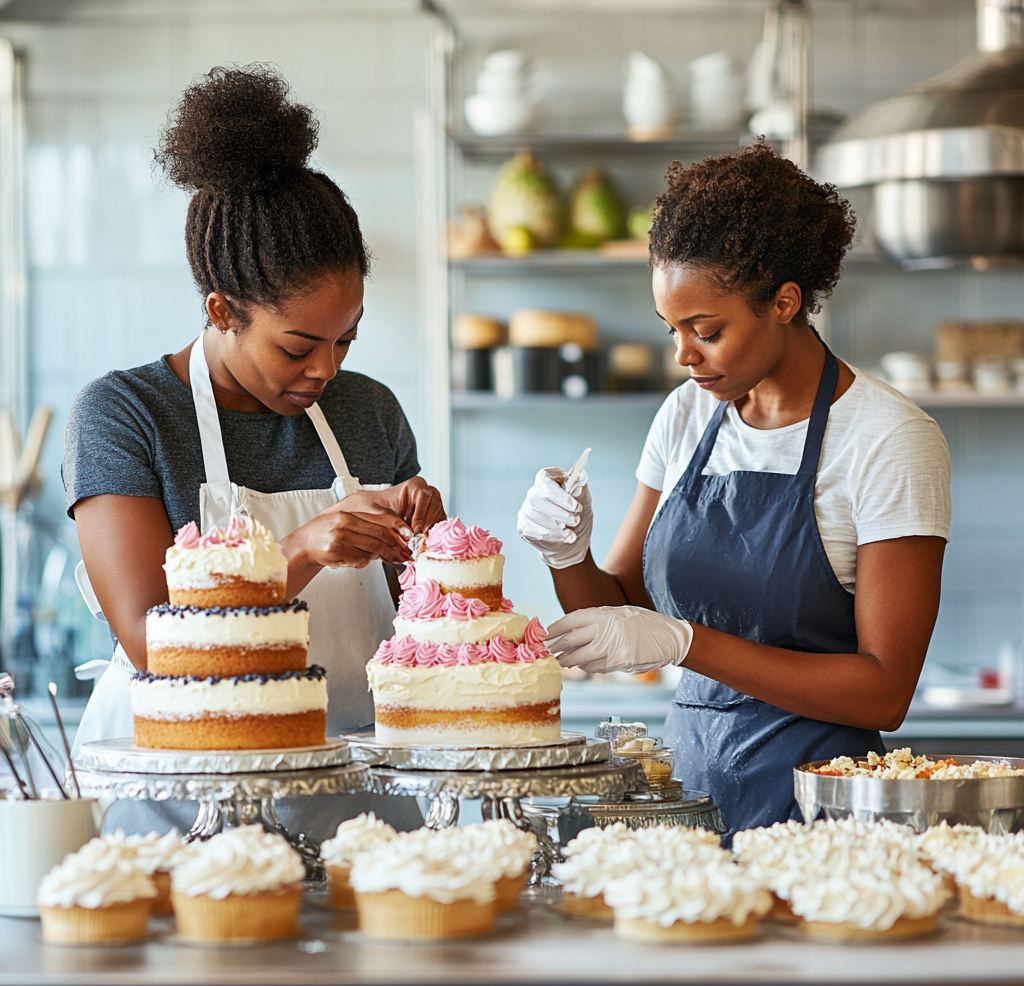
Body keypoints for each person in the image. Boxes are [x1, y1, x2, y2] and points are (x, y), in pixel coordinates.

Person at [518, 143, 951, 838]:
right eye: (673, 330)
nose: (684, 355)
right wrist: (567, 555)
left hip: (823, 820)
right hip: (683, 802)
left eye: (706, 330)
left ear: (784, 302)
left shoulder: (888, 438)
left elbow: (884, 690)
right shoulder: (686, 416)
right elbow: (622, 613)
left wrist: (688, 642)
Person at [63, 65, 442, 833]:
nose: (326, 369)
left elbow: (423, 632)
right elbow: (147, 639)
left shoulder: (368, 411)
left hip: (353, 809)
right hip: (178, 811)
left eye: (346, 339)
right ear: (221, 309)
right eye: (299, 345)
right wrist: (299, 550)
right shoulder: (126, 414)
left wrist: (429, 553)